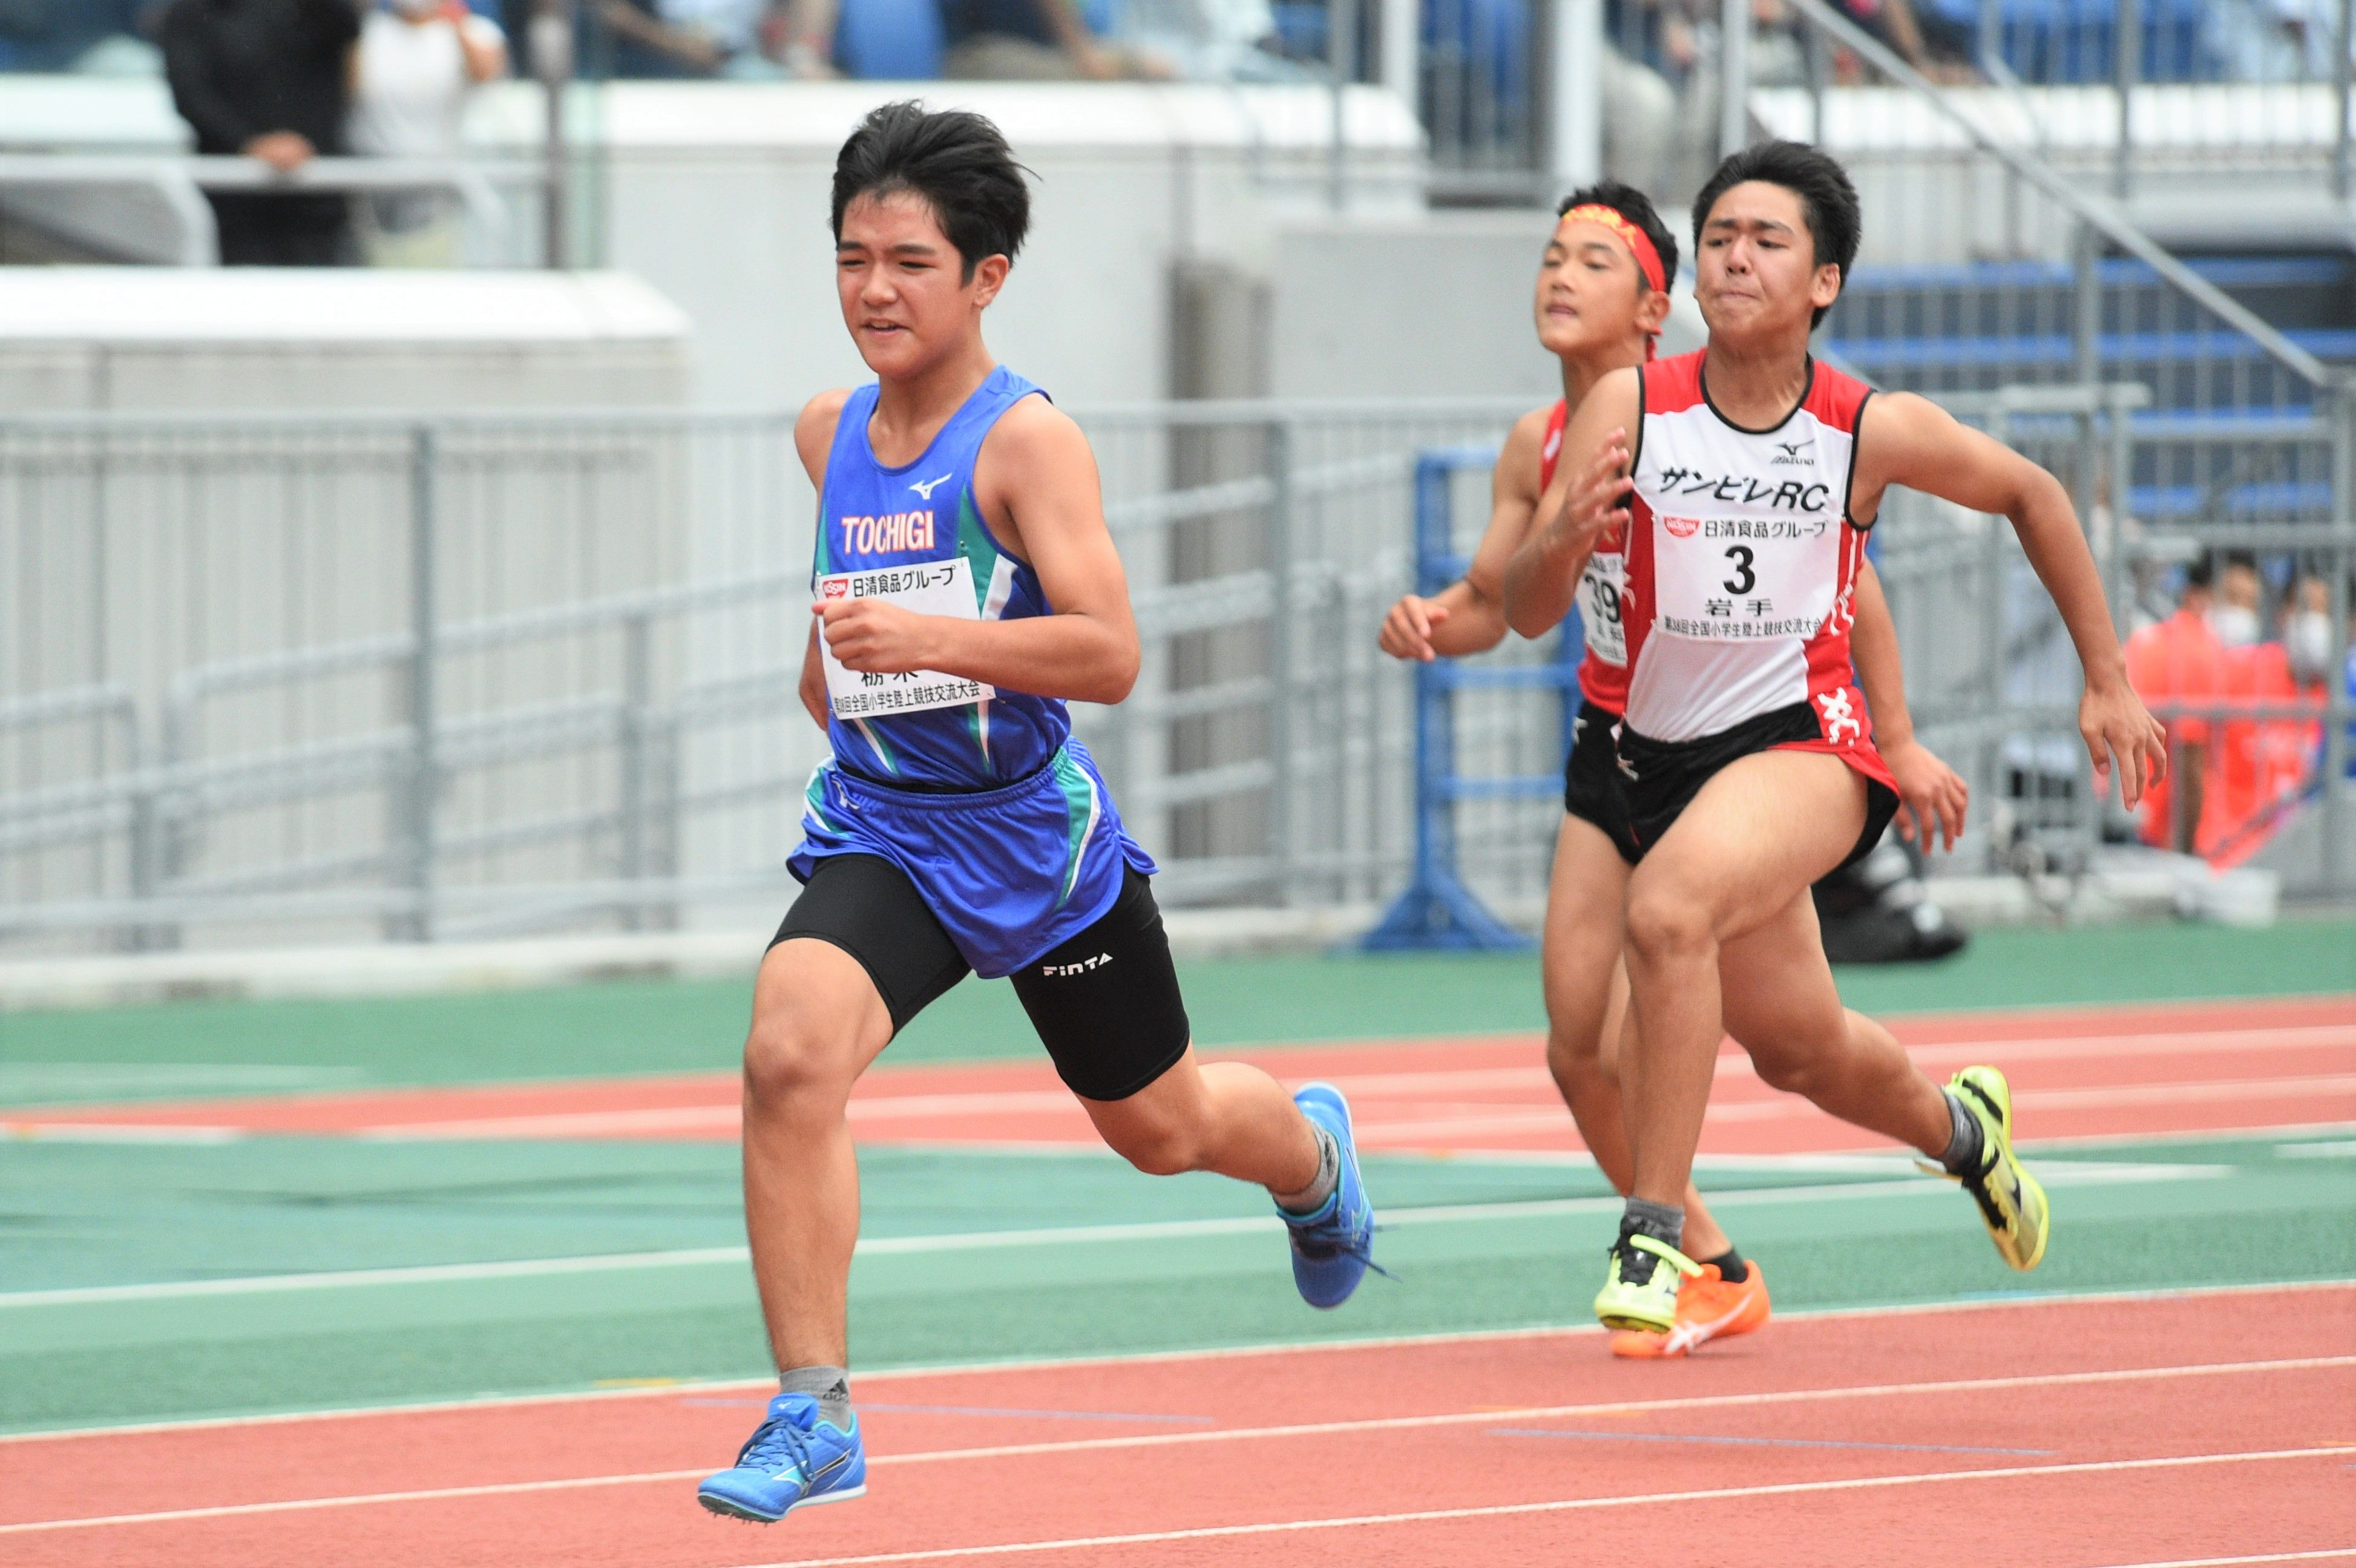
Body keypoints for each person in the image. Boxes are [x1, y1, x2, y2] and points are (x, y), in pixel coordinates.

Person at [694, 102, 1377, 1526]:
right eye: (851, 257)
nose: (874, 289)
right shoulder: (829, 432)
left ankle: (1311, 1160)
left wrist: (932, 648)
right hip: (889, 830)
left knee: (1161, 1125)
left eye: (910, 263)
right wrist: (840, 666)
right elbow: (846, 627)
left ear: (985, 278)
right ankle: (812, 1409)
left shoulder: (1028, 445)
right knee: (787, 1049)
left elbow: (1110, 653)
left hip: (1031, 844)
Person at [1503, 140, 2166, 1336]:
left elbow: (2033, 494)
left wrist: (2103, 679)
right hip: (1652, 755)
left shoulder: (1861, 427)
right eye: (1718, 239)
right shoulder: (1631, 406)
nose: (1735, 258)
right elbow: (1529, 605)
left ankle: (1655, 1242)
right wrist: (1560, 540)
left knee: (1664, 916)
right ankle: (1966, 1133)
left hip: (1803, 742)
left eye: (1766, 240)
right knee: (1800, 1051)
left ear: (1823, 281)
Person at [1377, 182, 1966, 1358]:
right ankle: (1706, 1255)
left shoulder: (1697, 418)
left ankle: (1944, 1135)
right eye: (1546, 255)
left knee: (1779, 1033)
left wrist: (1893, 736)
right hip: (1614, 749)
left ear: (1655, 305)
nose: (1554, 276)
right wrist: (1432, 620)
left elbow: (1847, 581)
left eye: (1588, 261)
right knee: (1575, 1044)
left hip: (1746, 748)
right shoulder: (1538, 441)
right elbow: (1499, 606)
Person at [159, 0, 361, 266]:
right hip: (234, 194)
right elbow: (190, 93)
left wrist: (296, 147)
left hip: (317, 190)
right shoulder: (196, 12)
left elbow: (346, 30)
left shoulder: (316, 10)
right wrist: (250, 143)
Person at [348, 0, 507, 267]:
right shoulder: (368, 33)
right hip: (372, 187)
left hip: (440, 187)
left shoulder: (473, 30)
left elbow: (486, 71)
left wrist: (455, 20)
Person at [2124, 556, 2225, 854]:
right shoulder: (2199, 651)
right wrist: (2186, 851)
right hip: (2150, 825)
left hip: (2116, 804)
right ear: (2201, 595)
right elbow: (2191, 765)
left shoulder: (2152, 638)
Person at [940, 0, 1164, 79]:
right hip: (982, 57)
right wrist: (1086, 54)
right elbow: (1091, 64)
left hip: (1046, 54)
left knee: (1159, 70)